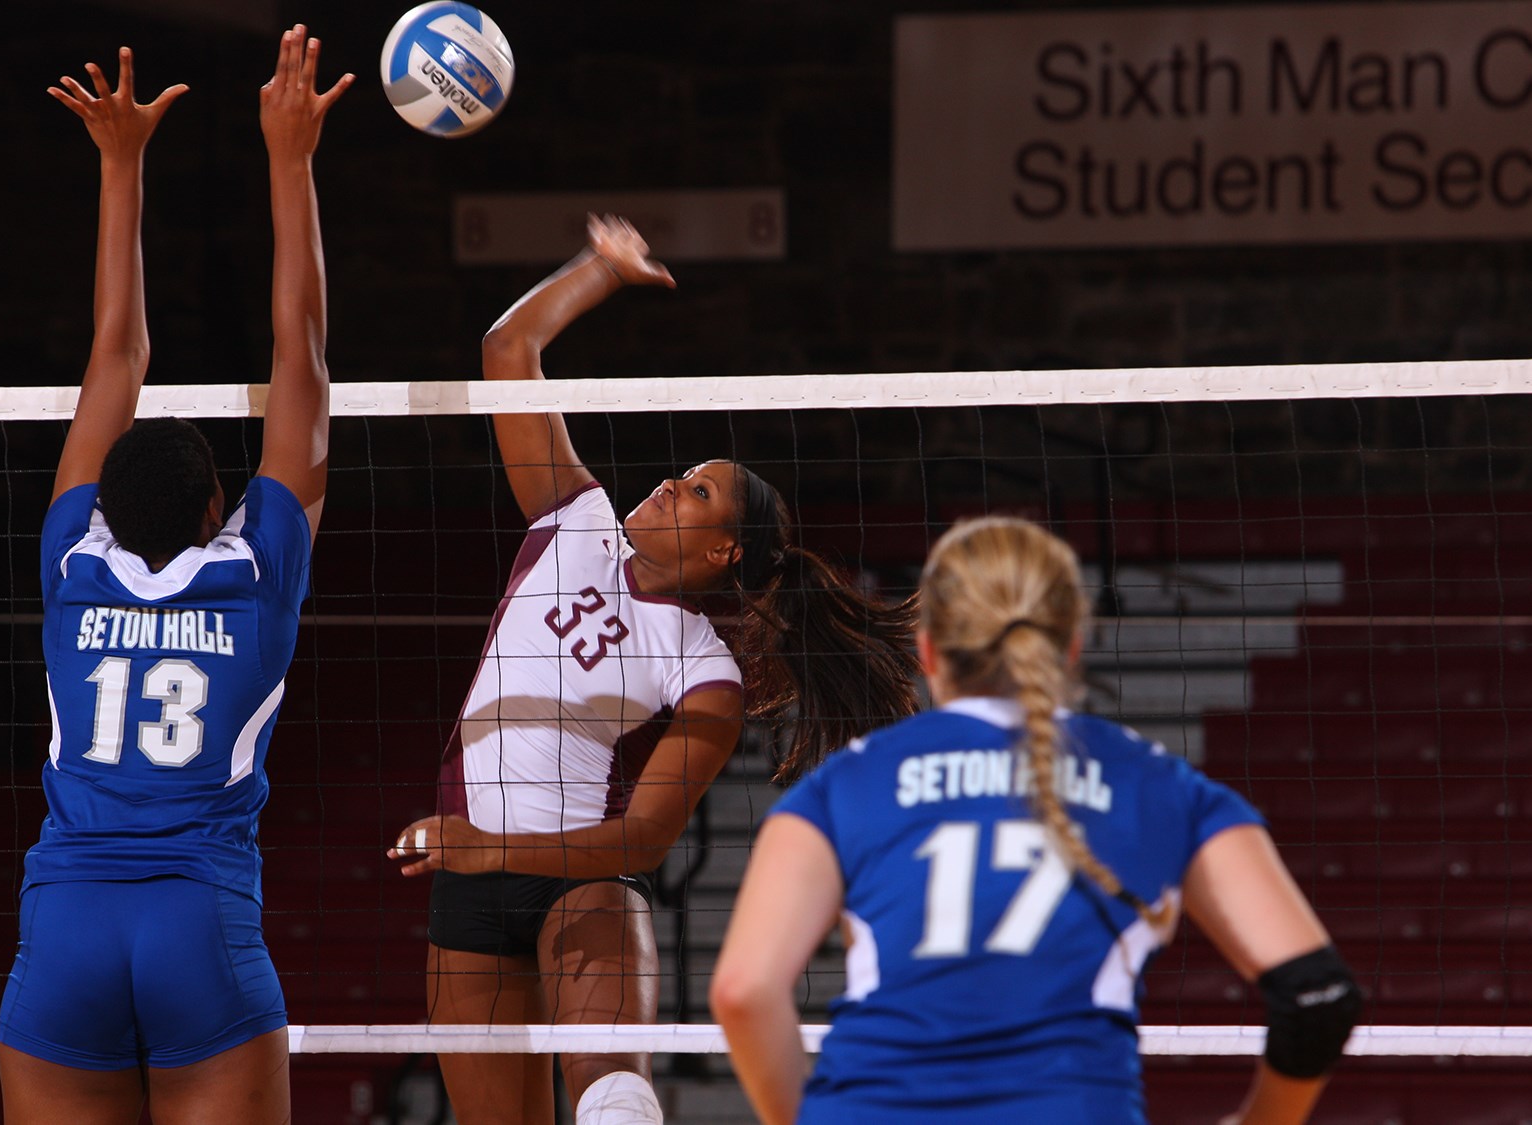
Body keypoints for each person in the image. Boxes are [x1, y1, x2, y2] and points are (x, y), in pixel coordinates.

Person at [388, 215, 922, 1125]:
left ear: (722, 554)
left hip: (581, 882)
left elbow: (641, 840)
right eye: (683, 472)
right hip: (467, 888)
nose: (672, 484)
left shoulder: (703, 664)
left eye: (699, 492)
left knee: (613, 1099)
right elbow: (507, 348)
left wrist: (490, 847)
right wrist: (599, 269)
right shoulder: (573, 517)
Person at [710, 516, 1363, 1124]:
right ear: (1072, 645)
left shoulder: (844, 784)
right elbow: (1317, 995)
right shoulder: (1160, 784)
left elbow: (743, 990)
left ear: (929, 649)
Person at [0, 30, 349, 1125]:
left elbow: (117, 357)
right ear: (217, 510)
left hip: (66, 930)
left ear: (101, 505)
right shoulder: (255, 576)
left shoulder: (71, 566)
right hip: (200, 925)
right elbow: (303, 355)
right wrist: (289, 158)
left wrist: (117, 163)